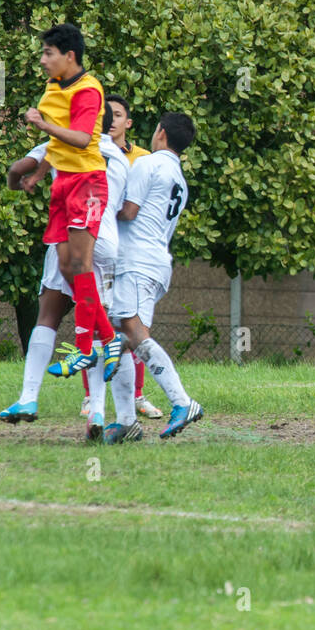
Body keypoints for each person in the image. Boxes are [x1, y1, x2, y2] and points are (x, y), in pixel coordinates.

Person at [0, 103, 131, 441]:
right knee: (96, 315)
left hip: (77, 235)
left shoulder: (61, 144)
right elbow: (126, 209)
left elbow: (16, 170)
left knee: (48, 316)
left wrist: (21, 182)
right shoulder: (118, 155)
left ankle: (28, 398)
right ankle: (98, 410)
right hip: (109, 241)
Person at [22, 23, 122, 382]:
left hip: (87, 183)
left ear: (70, 56)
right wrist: (38, 174)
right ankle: (109, 338)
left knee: (81, 263)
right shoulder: (52, 87)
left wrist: (43, 125)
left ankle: (84, 349)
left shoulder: (88, 89)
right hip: (63, 183)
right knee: (66, 267)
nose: (43, 60)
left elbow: (80, 139)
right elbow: (60, 145)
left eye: (48, 53)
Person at [111, 111, 199, 443]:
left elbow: (128, 211)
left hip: (136, 261)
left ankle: (182, 402)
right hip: (156, 262)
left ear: (160, 133)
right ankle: (126, 422)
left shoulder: (147, 164)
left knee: (130, 332)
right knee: (119, 340)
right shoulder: (178, 176)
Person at [101, 93, 164, 421]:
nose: (111, 119)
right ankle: (91, 396)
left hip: (134, 252)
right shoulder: (91, 151)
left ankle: (138, 396)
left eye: (117, 114)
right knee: (99, 321)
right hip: (100, 246)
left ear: (129, 122)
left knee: (136, 326)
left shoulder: (143, 159)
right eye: (105, 114)